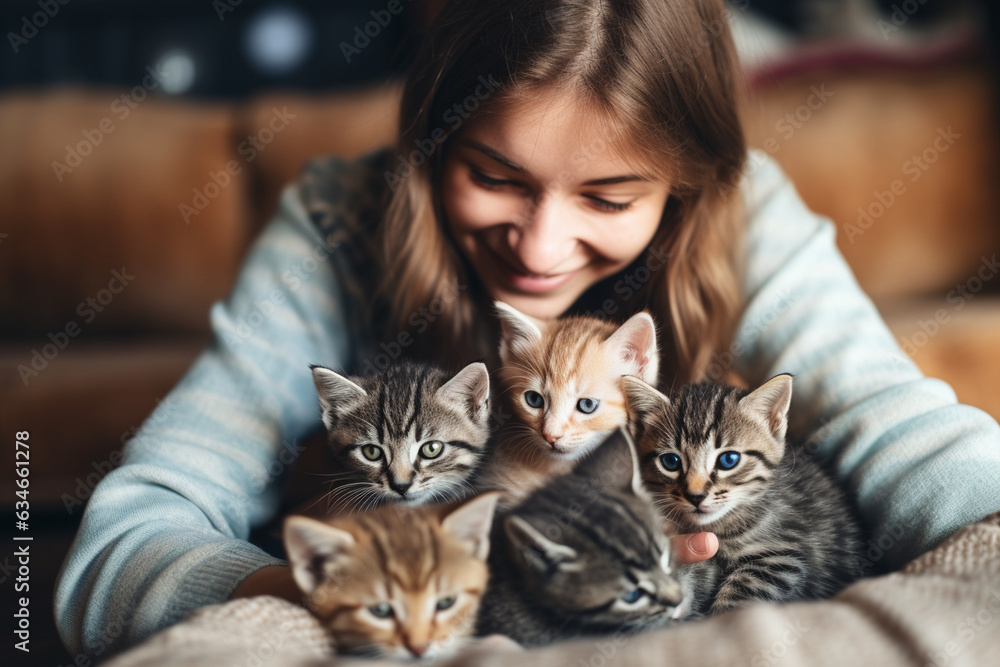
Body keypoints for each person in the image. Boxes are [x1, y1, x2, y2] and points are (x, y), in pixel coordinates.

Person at [55, 0, 1000, 659]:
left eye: (609, 194)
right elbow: (122, 548)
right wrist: (368, 588)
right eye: (496, 176)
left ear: (682, 189)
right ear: (429, 143)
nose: (541, 247)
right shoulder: (339, 217)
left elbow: (902, 432)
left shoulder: (749, 217)